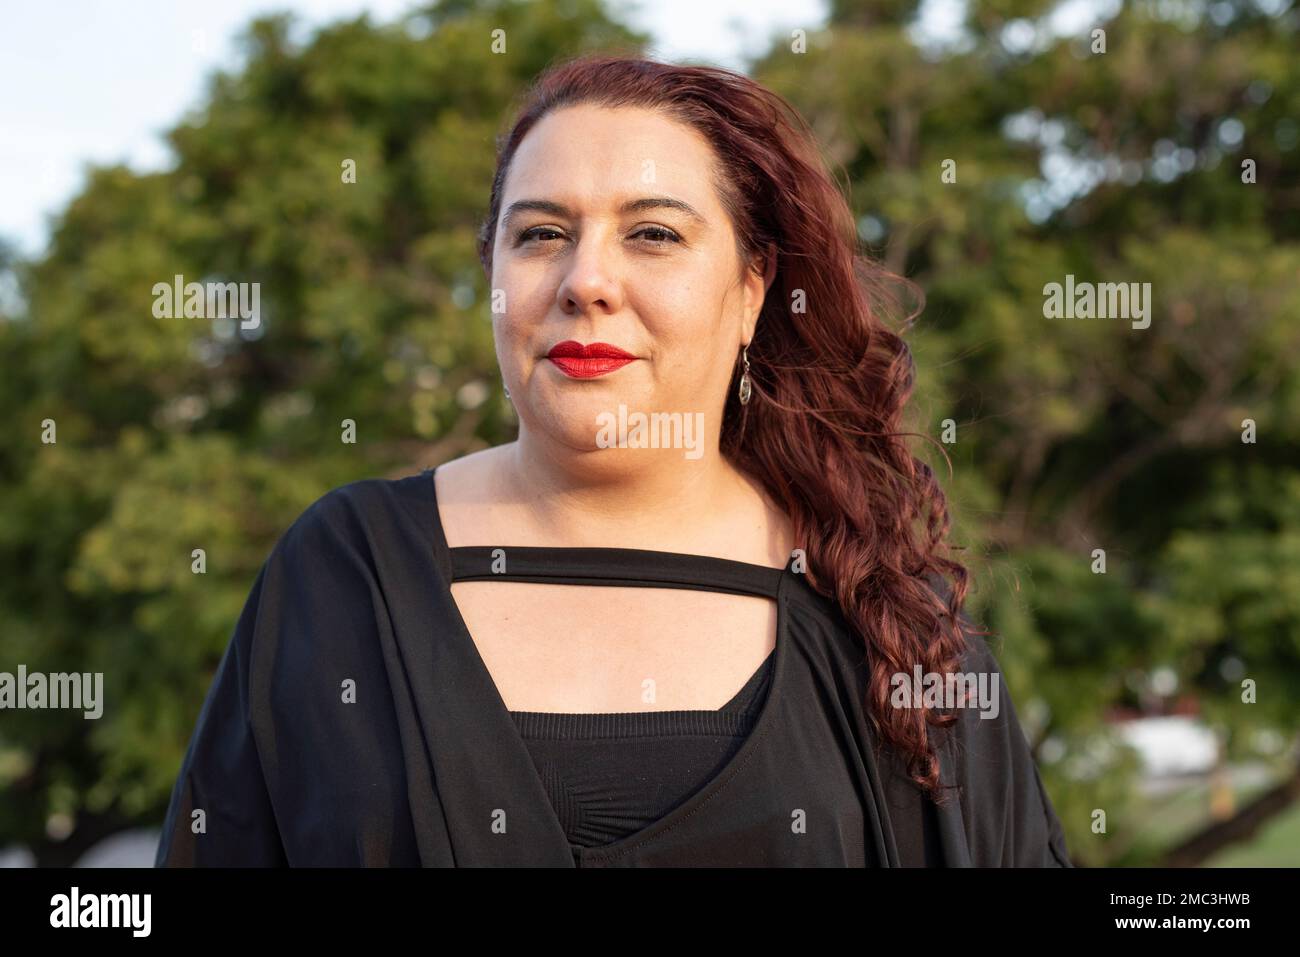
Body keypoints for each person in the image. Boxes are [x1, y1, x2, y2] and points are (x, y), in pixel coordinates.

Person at [155, 52, 1072, 867]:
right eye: (541, 233)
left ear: (753, 292)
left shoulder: (878, 615)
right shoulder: (342, 576)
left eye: (654, 234)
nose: (585, 281)